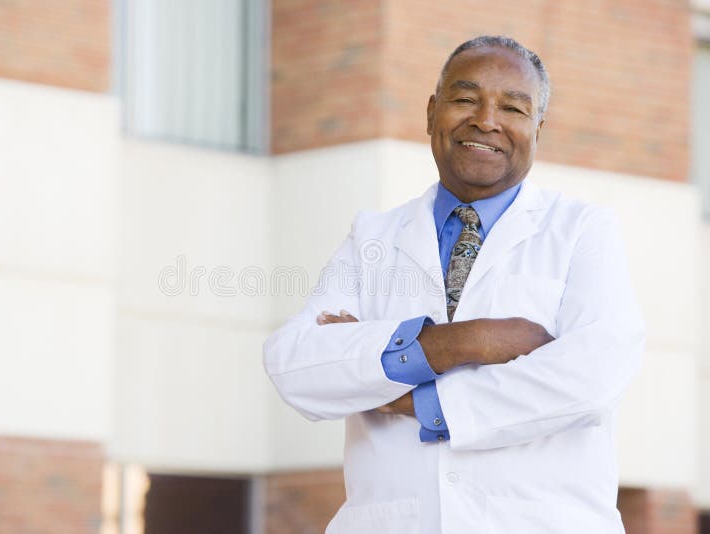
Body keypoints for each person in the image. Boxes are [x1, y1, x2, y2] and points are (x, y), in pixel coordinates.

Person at [263, 35, 644, 534]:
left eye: (512, 108)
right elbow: (296, 364)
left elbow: (590, 379)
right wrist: (470, 341)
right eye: (465, 99)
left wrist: (402, 396)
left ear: (538, 129)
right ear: (431, 114)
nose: (486, 120)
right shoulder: (373, 237)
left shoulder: (581, 230)